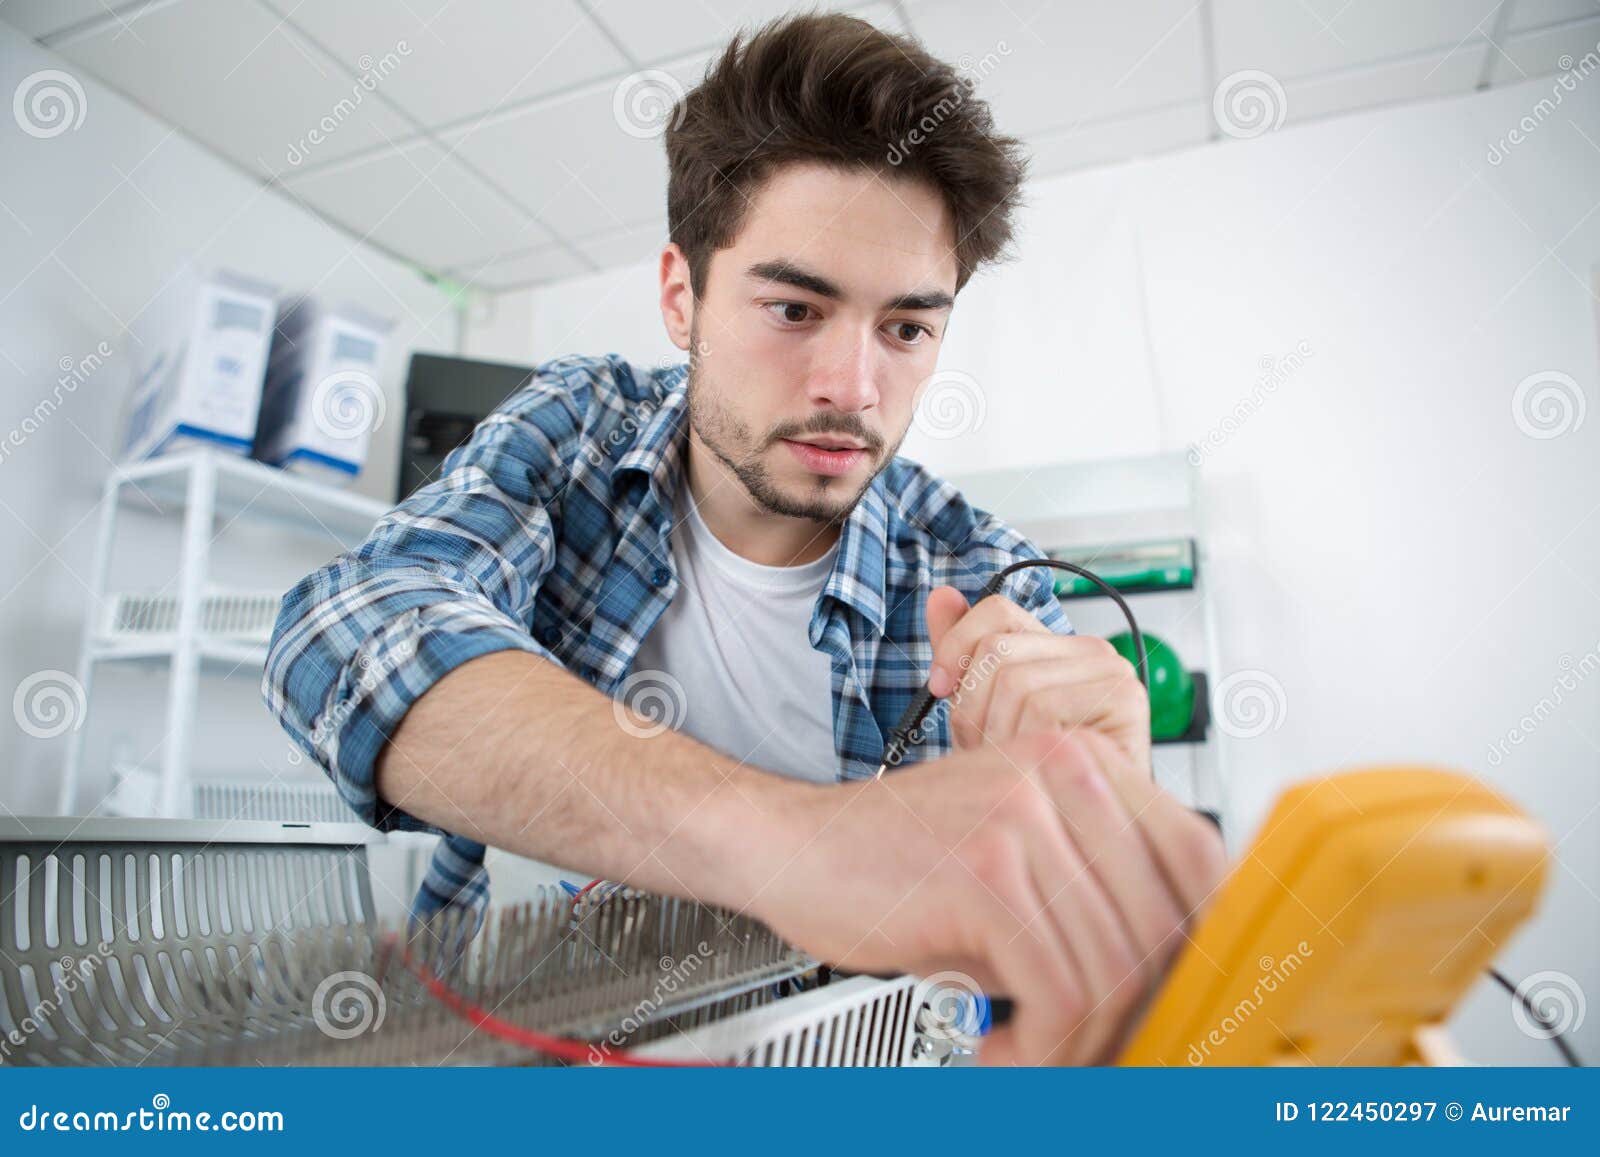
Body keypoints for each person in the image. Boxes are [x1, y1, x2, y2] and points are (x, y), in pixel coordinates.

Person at [264, 12, 1226, 1066]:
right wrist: (797, 845)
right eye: (795, 309)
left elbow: (1060, 1043)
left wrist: (1103, 858)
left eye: (907, 328)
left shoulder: (986, 582)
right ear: (683, 298)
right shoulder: (580, 433)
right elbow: (344, 631)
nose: (853, 387)